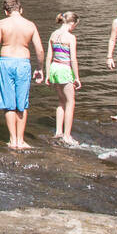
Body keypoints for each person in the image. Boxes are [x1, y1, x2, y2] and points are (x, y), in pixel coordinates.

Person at [0, 0, 45, 149]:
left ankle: (12, 140)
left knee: (8, 104)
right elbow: (39, 49)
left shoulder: (2, 23)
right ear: (21, 9)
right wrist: (40, 68)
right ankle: (21, 140)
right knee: (22, 103)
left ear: (6, 11)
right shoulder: (30, 25)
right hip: (23, 63)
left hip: (6, 62)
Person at [46, 11, 82, 145]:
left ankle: (58, 132)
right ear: (71, 23)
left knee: (61, 101)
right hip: (65, 69)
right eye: (75, 25)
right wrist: (77, 77)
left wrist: (48, 74)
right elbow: (73, 59)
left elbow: (49, 56)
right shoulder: (70, 37)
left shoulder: (53, 35)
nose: (74, 28)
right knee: (70, 102)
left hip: (54, 68)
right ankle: (67, 135)